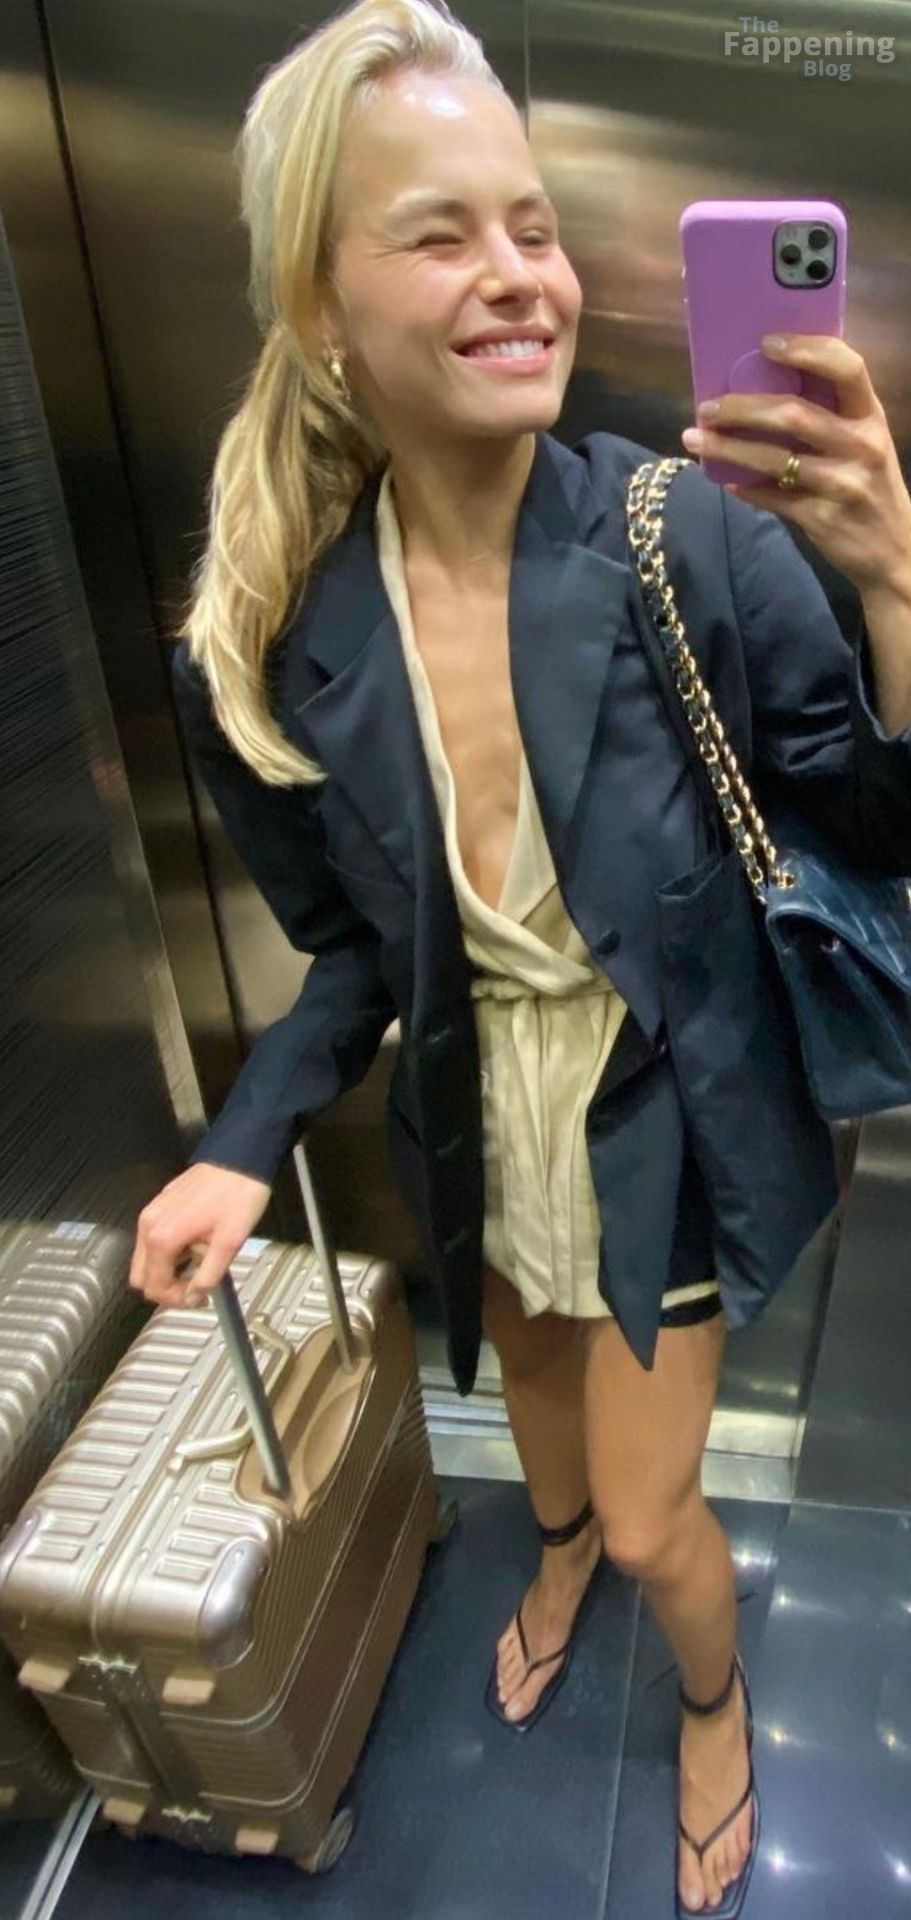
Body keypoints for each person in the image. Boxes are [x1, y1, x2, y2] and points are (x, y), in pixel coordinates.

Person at [128, 2, 911, 1912]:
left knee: (649, 1519)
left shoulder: (690, 544)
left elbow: (881, 829)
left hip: (669, 1118)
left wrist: (896, 580)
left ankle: (710, 1696)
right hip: (480, 1119)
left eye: (535, 226)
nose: (518, 276)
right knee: (546, 1442)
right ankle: (549, 1554)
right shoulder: (281, 638)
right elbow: (348, 957)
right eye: (441, 233)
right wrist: (241, 1143)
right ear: (321, 308)